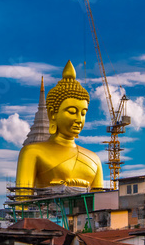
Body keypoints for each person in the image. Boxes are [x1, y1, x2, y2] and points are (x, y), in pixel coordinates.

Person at [15, 61, 104, 195]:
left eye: (83, 113)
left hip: (86, 216)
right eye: (72, 111)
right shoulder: (32, 152)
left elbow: (101, 204)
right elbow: (22, 201)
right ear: (52, 114)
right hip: (44, 214)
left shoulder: (94, 159)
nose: (79, 119)